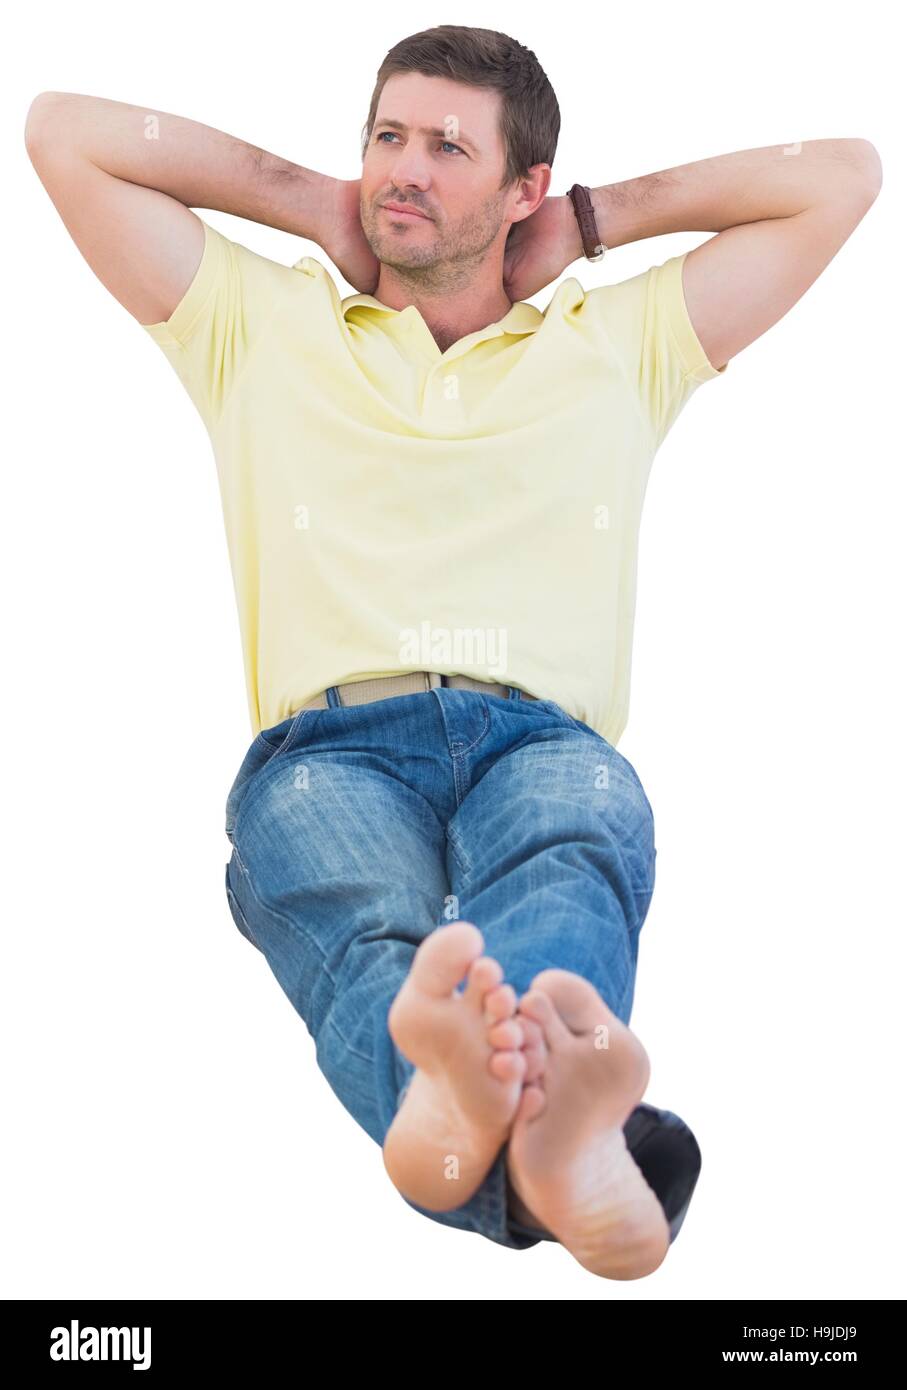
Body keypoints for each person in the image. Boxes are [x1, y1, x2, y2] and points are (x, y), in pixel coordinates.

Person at [24, 25, 881, 1280]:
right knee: (368, 928)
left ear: (525, 187)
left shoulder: (619, 342)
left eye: (447, 148)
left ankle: (477, 1124)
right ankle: (552, 1136)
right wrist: (315, 205)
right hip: (331, 749)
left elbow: (843, 174)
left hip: (539, 738)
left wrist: (591, 222)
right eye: (387, 137)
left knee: (567, 851)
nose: (403, 169)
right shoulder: (254, 322)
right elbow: (61, 130)